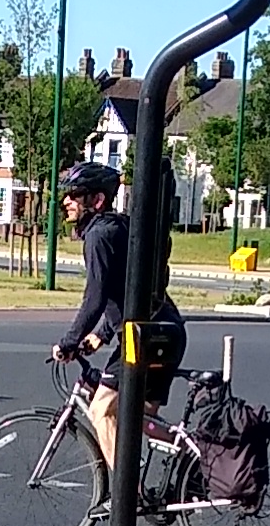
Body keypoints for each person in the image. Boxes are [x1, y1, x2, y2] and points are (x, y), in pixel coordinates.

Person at [50, 160, 179, 472]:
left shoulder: (99, 236)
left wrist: (69, 342)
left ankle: (128, 493)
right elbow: (127, 290)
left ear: (97, 200)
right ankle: (198, 457)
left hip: (144, 338)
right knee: (138, 418)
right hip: (167, 330)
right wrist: (103, 334)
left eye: (75, 194)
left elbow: (95, 297)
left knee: (103, 410)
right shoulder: (119, 227)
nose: (66, 201)